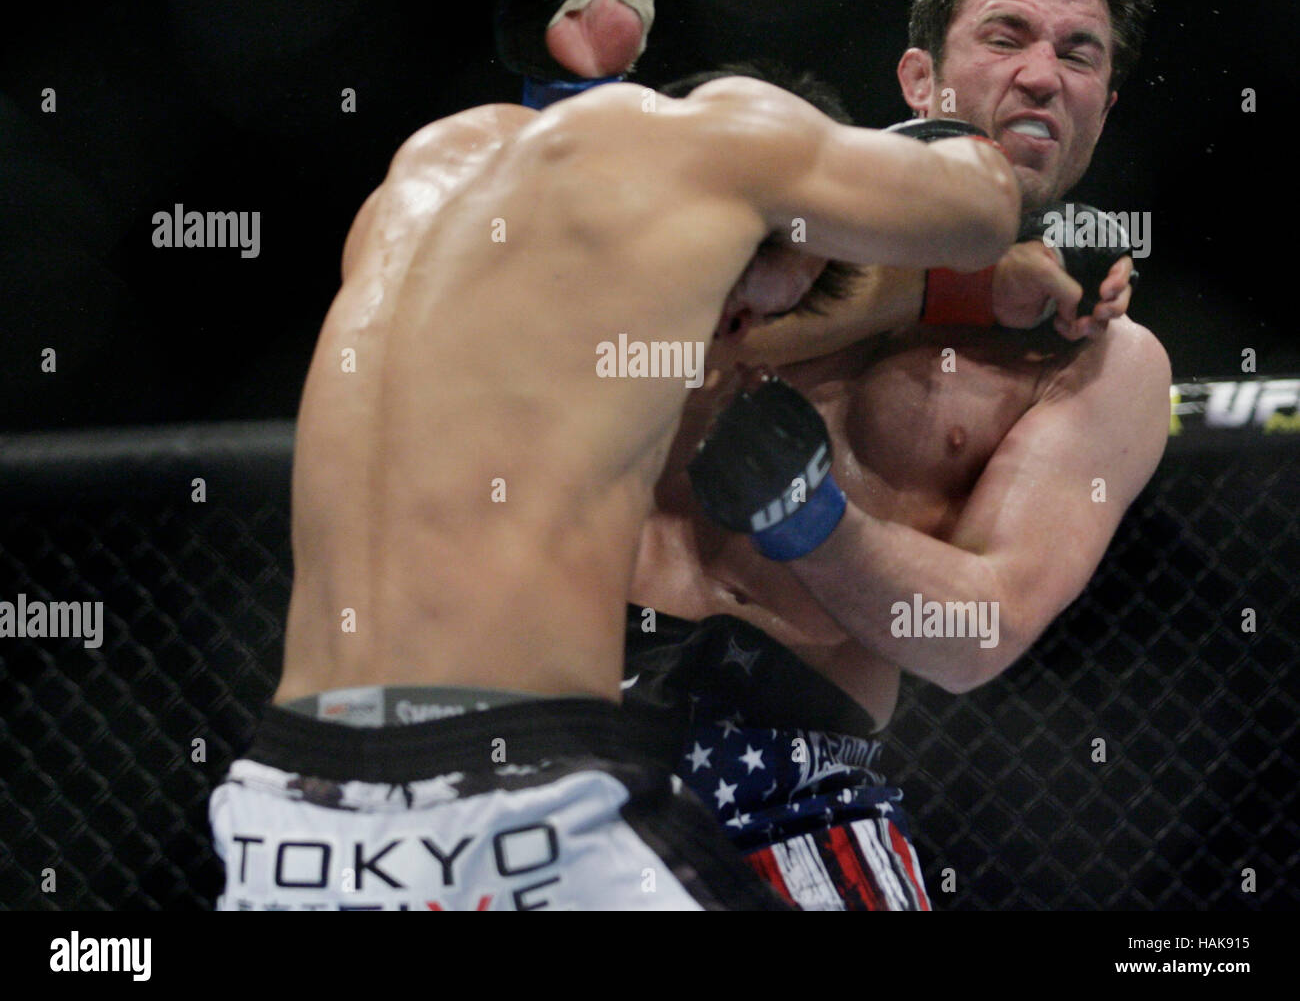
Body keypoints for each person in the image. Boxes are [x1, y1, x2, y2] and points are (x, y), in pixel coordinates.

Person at [207, 47, 1025, 909]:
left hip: (290, 813)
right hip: (517, 804)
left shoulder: (430, 179)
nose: (750, 334)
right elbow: (982, 208)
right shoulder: (736, 138)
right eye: (785, 290)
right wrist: (950, 139)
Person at [497, 0, 1170, 910]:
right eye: (1005, 36)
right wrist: (567, 91)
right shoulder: (768, 202)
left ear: (1104, 106)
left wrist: (811, 519)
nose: (1040, 73)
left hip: (786, 786)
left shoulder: (1099, 363)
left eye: (1078, 52)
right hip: (543, 731)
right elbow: (595, 319)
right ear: (917, 80)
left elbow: (977, 632)